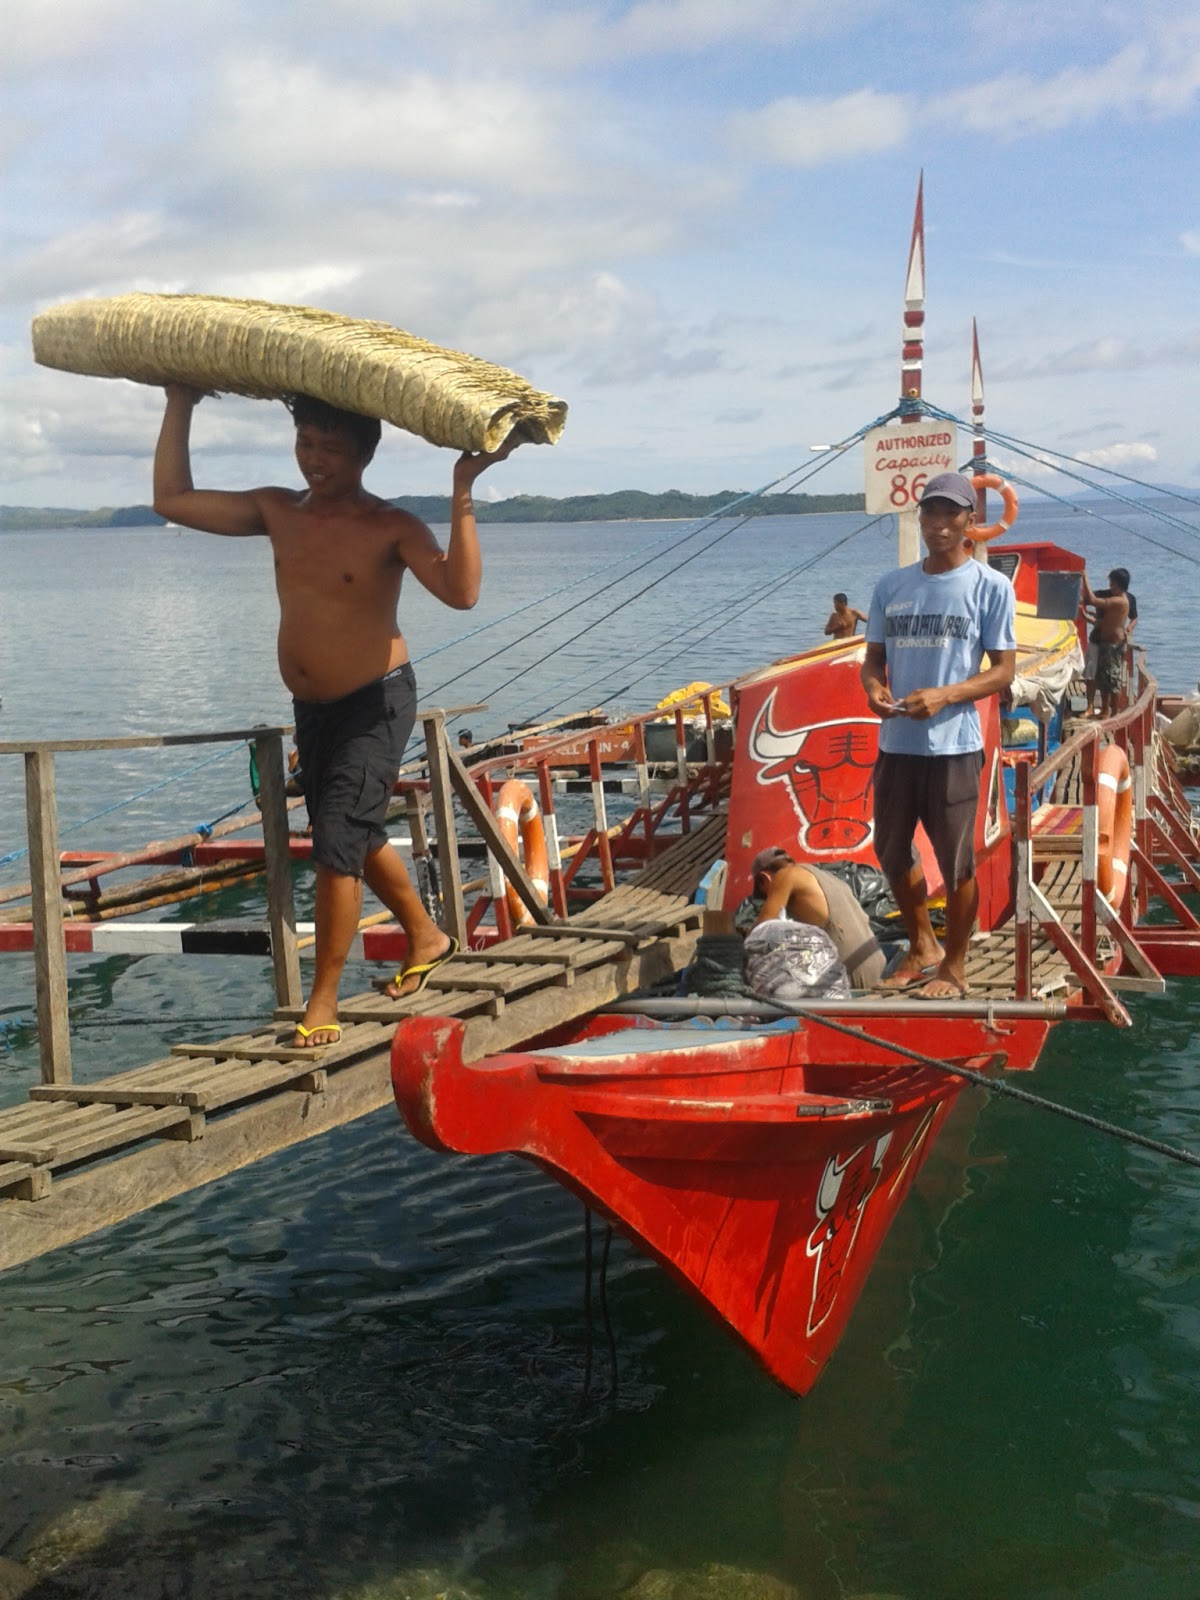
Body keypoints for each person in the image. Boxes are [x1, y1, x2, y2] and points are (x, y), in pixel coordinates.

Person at [153, 385, 514, 1046]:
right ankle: (429, 937)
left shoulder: (391, 525)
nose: (314, 460)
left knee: (336, 846)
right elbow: (172, 500)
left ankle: (323, 1001)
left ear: (364, 455)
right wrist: (181, 403)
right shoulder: (277, 510)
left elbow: (460, 592)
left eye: (331, 449)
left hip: (376, 702)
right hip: (312, 710)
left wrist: (462, 489)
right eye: (305, 444)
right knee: (353, 831)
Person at [860, 471, 1017, 1000]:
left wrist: (945, 695)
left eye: (951, 513)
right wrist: (873, 690)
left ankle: (955, 964)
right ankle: (921, 942)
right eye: (930, 512)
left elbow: (1003, 672)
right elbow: (873, 660)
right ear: (920, 518)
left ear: (970, 521)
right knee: (889, 848)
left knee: (956, 862)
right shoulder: (890, 586)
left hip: (954, 746)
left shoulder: (989, 587)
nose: (939, 523)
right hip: (896, 744)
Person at [736, 846, 886, 991]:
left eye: (766, 896)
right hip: (876, 966)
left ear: (764, 879)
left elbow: (761, 931)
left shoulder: (785, 875)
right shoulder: (827, 878)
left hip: (850, 975)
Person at [1081, 567, 1134, 720]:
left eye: (1112, 583)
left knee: (1113, 680)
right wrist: (1088, 618)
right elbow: (1105, 622)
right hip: (1104, 643)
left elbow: (1092, 600)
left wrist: (1085, 577)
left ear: (1119, 584)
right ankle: (1105, 710)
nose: (1110, 586)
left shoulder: (1121, 600)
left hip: (1113, 645)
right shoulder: (1117, 599)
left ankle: (1115, 712)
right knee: (1104, 680)